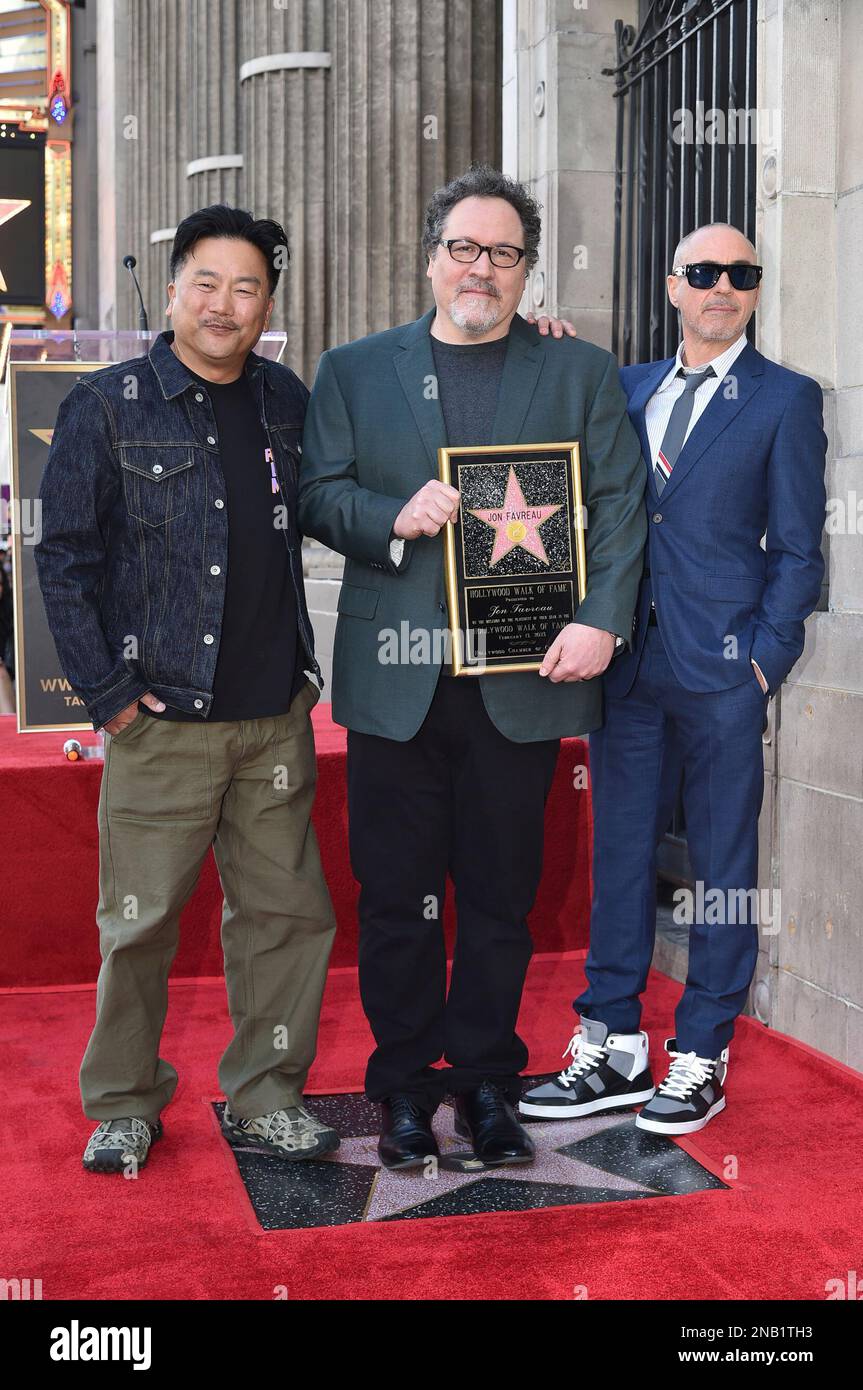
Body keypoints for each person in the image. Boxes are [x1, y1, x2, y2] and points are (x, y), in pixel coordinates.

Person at [298, 165, 646, 1170]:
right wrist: (388, 517)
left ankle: (487, 1083)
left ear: (525, 270)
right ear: (430, 255)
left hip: (524, 680)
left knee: (500, 897)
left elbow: (620, 506)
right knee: (396, 896)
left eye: (502, 252)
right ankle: (405, 1089)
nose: (480, 267)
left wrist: (601, 623)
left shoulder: (575, 372)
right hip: (396, 684)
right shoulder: (354, 371)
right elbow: (319, 495)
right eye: (464, 246)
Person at [35, 205, 338, 1173]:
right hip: (160, 719)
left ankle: (264, 1093)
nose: (224, 303)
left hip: (274, 722)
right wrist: (110, 695)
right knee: (140, 922)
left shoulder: (288, 401)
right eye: (206, 282)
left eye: (246, 287)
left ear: (267, 304)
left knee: (286, 917)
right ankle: (123, 1101)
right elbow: (65, 554)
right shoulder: (109, 402)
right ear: (172, 290)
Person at [522, 222, 827, 1135]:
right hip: (625, 668)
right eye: (702, 272)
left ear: (754, 290)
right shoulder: (624, 389)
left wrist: (762, 665)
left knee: (724, 868)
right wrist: (551, 360)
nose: (721, 286)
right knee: (618, 857)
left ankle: (701, 1052)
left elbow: (801, 552)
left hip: (724, 674)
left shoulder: (784, 399)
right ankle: (612, 1044)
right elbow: (563, 474)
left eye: (740, 273)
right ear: (671, 285)